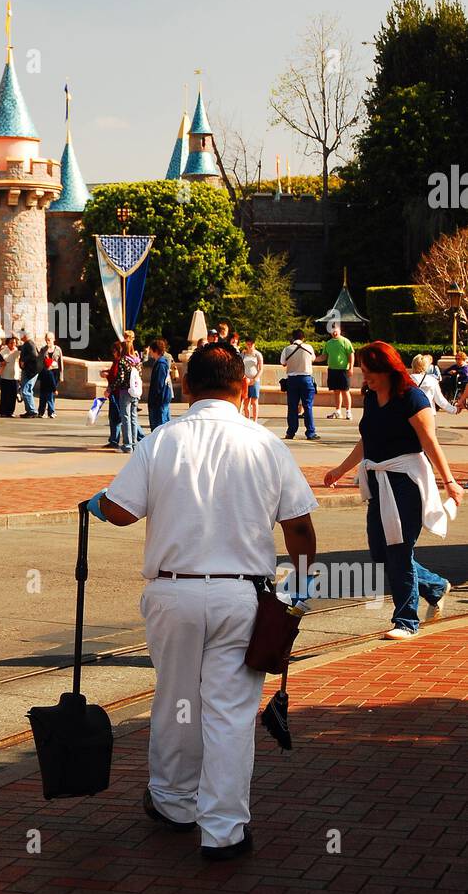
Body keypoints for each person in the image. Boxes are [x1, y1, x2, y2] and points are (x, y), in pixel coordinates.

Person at [86, 344, 317, 859]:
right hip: (241, 593)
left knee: (176, 700)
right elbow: (299, 526)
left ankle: (173, 803)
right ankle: (224, 830)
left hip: (173, 590)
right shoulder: (265, 444)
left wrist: (97, 504)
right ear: (243, 387)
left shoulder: (162, 440)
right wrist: (298, 591)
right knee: (231, 713)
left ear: (187, 388)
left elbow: (123, 511)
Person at [324, 341, 463, 639]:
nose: (365, 378)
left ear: (388, 369)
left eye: (370, 371)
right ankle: (435, 586)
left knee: (399, 549)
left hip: (405, 480)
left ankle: (405, 621)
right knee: (379, 551)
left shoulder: (412, 398)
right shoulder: (372, 398)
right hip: (377, 480)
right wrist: (340, 470)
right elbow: (366, 441)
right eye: (363, 371)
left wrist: (449, 481)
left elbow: (429, 443)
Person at [280, 330, 319, 441]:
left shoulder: (287, 349)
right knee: (308, 406)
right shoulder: (309, 348)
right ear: (303, 338)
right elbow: (313, 359)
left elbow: (283, 362)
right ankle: (310, 433)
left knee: (292, 407)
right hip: (306, 379)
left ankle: (291, 432)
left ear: (293, 338)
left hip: (292, 380)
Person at [113, 332, 143, 453]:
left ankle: (127, 445)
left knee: (125, 418)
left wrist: (111, 388)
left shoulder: (123, 361)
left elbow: (120, 378)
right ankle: (135, 443)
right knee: (134, 418)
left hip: (125, 391)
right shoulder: (137, 360)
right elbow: (139, 375)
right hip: (135, 392)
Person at [321, 323, 355, 420]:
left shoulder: (345, 341)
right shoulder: (328, 343)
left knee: (345, 391)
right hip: (332, 370)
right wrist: (312, 359)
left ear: (340, 330)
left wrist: (351, 367)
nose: (334, 332)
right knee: (336, 391)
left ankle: (348, 412)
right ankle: (338, 411)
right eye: (332, 331)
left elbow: (351, 355)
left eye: (336, 330)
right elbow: (324, 356)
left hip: (343, 370)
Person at [146, 339, 173, 432]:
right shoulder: (162, 363)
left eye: (151, 350)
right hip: (162, 399)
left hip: (159, 401)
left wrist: (153, 400)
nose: (149, 352)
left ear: (155, 350)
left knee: (159, 426)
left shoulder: (160, 364)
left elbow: (158, 385)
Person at [101, 341, 123, 449]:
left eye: (114, 351)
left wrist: (107, 376)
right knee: (115, 417)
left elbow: (116, 378)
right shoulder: (116, 361)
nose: (113, 353)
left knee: (118, 417)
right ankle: (114, 440)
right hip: (115, 393)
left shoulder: (120, 361)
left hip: (117, 393)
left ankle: (115, 440)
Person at [36, 332, 64, 418]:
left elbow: (61, 363)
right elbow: (39, 361)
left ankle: (51, 411)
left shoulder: (58, 349)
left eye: (49, 339)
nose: (48, 341)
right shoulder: (43, 349)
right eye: (46, 339)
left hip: (55, 372)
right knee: (44, 392)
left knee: (52, 392)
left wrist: (61, 375)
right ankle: (41, 411)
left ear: (53, 339)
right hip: (45, 372)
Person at [18, 330, 39, 418]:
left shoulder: (30, 343)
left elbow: (34, 354)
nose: (20, 337)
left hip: (30, 371)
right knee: (27, 390)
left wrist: (23, 360)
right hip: (29, 370)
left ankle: (32, 410)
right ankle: (29, 410)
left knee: (26, 390)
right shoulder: (27, 344)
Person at [0, 335, 21, 417]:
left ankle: (10, 412)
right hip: (5, 376)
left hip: (15, 376)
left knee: (13, 395)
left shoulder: (17, 351)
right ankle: (3, 411)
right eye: (11, 343)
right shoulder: (3, 351)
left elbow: (19, 363)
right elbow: (0, 362)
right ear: (7, 344)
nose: (13, 344)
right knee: (5, 395)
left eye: (14, 343)